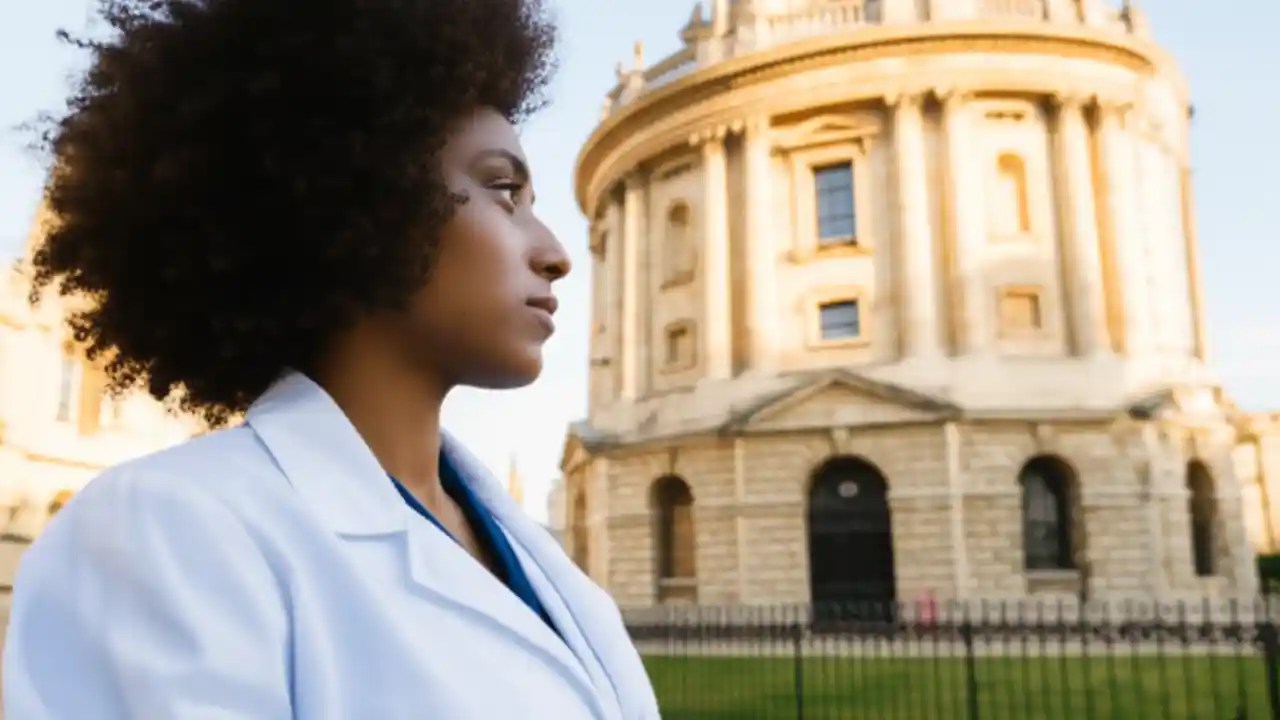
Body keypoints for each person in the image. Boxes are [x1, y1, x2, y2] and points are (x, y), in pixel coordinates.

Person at [2, 0, 660, 718]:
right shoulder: (168, 531)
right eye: (504, 192)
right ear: (368, 198)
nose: (557, 254)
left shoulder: (545, 565)